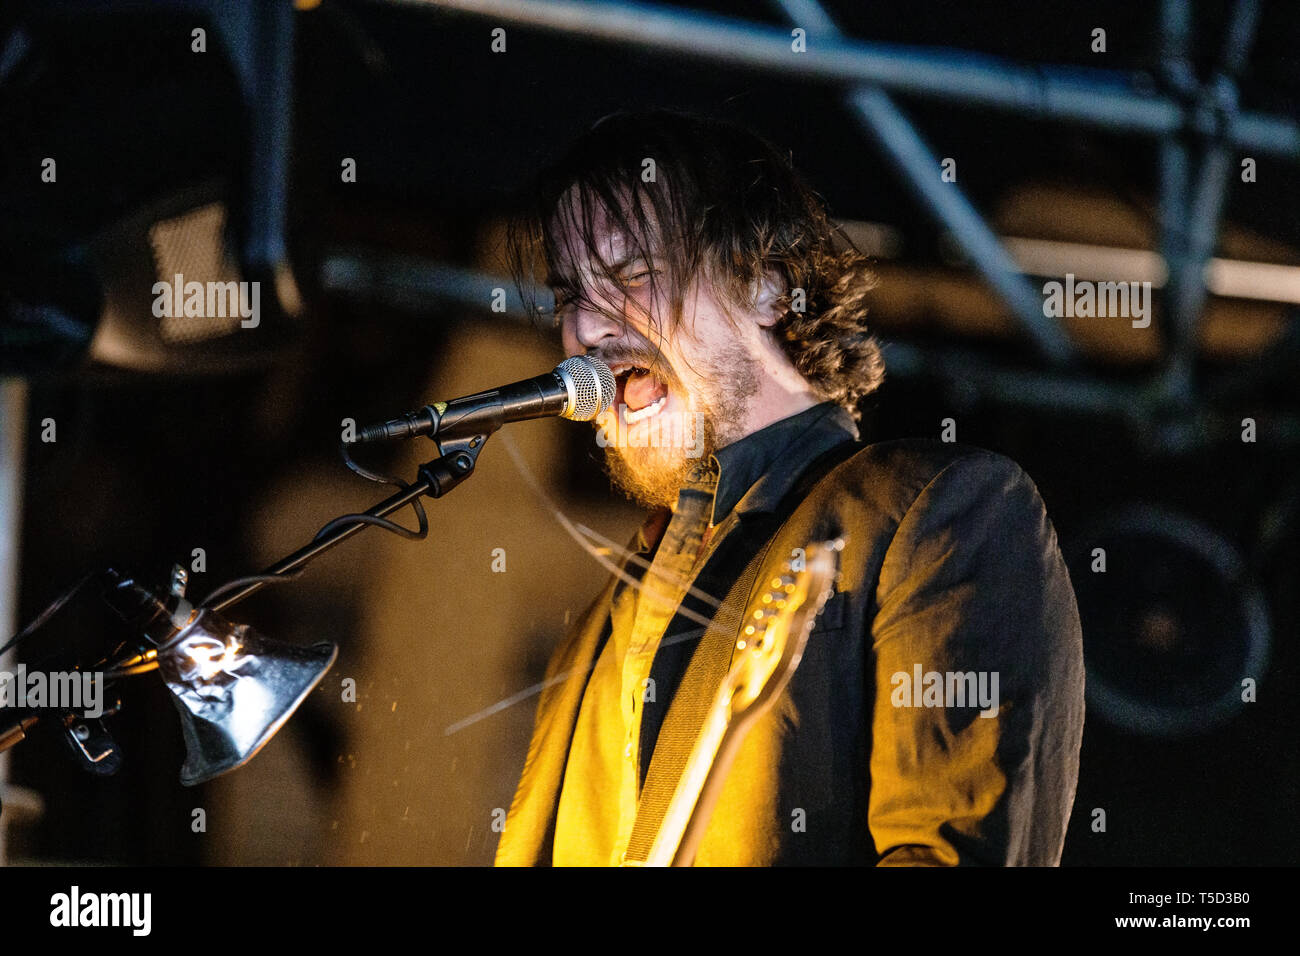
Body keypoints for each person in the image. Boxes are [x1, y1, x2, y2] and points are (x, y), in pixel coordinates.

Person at [495, 109, 1085, 866]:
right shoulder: (595, 632)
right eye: (569, 297)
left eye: (633, 274)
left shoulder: (942, 513)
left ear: (767, 285)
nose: (586, 331)